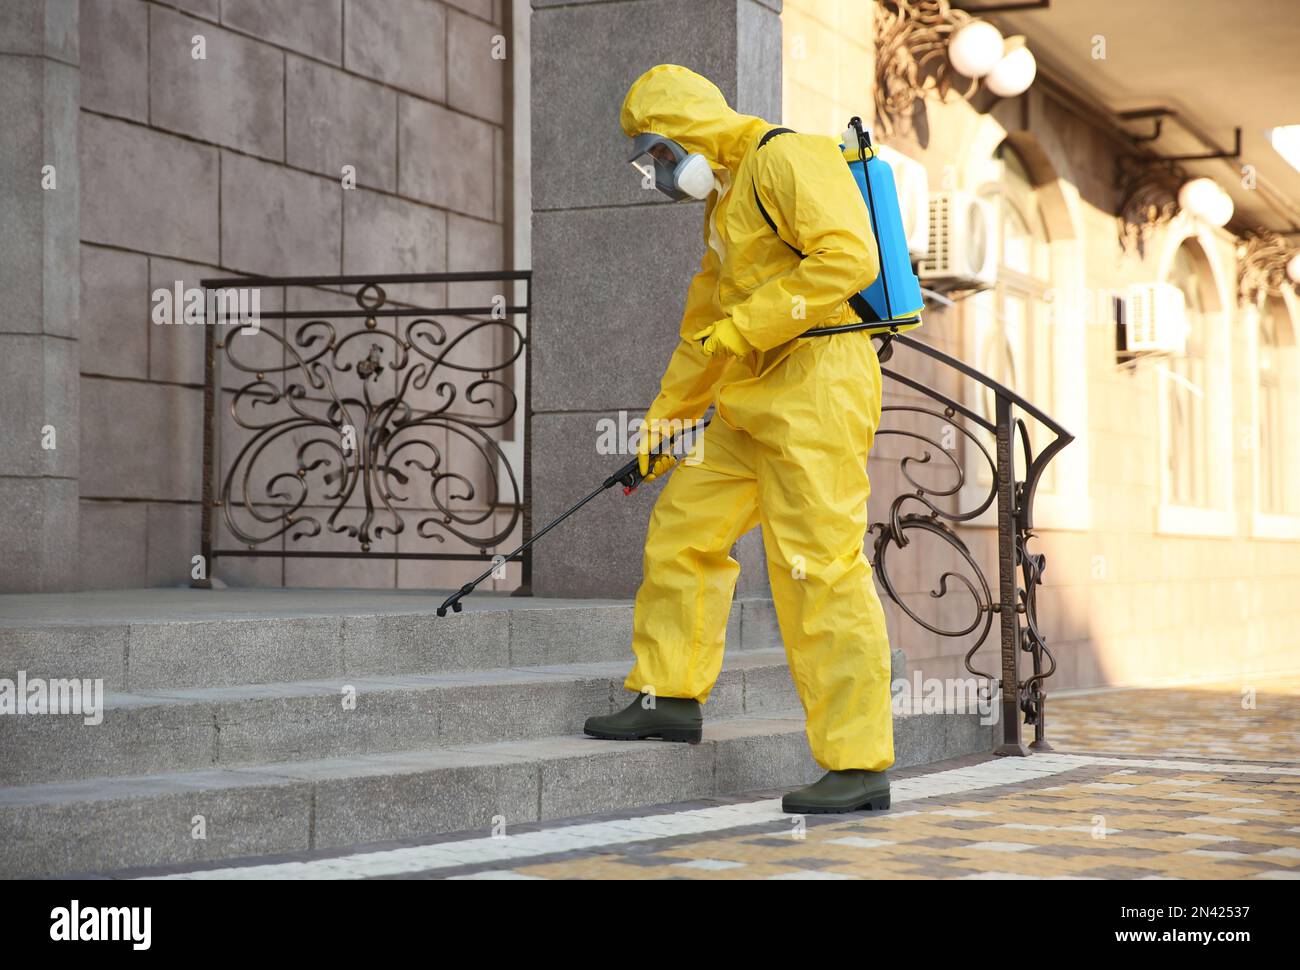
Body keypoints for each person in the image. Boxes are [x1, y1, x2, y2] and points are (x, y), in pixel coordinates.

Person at [583, 64, 894, 814]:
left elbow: (851, 258)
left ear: (687, 130)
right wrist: (659, 435)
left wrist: (748, 324)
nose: (654, 171)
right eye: (646, 159)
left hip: (818, 386)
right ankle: (668, 696)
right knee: (683, 532)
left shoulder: (785, 158)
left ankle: (857, 765)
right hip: (750, 399)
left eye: (657, 152)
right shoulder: (722, 208)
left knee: (817, 568)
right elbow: (703, 336)